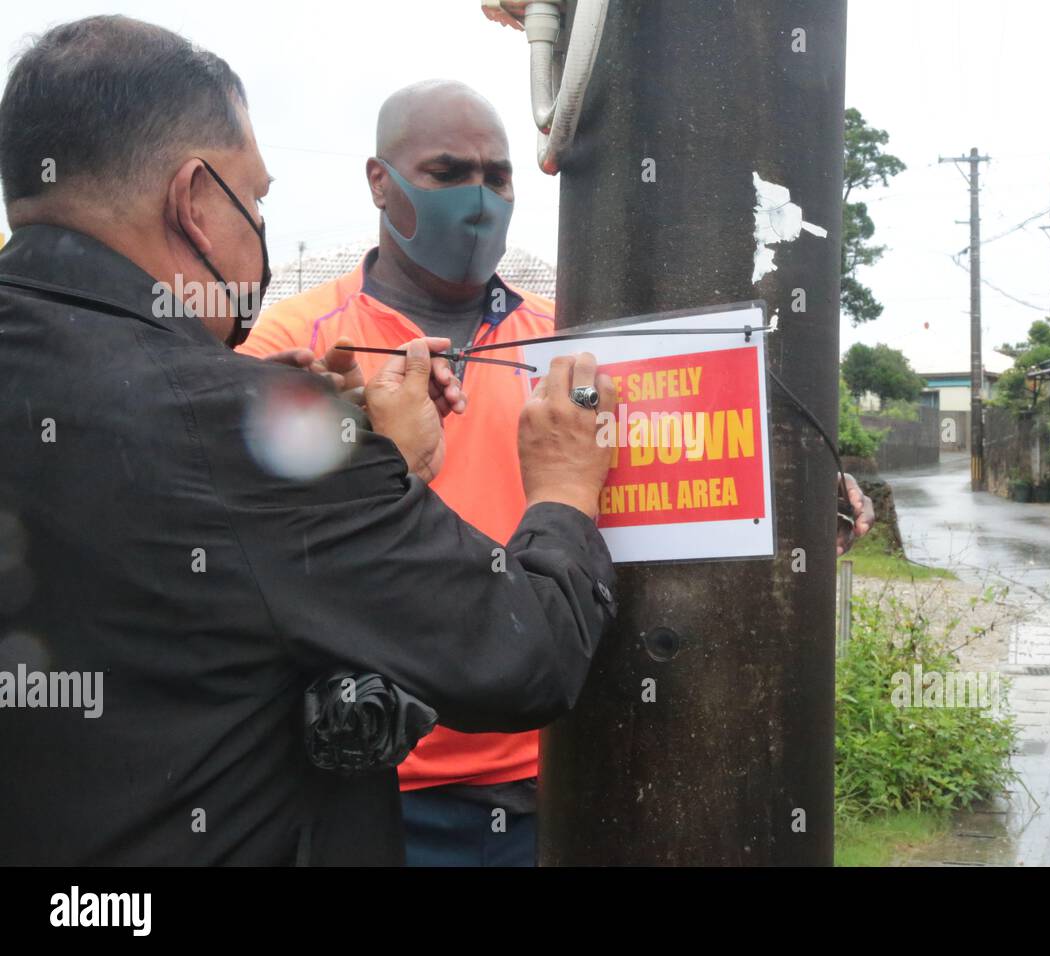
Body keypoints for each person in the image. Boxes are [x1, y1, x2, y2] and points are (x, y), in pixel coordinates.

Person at [0, 15, 617, 866]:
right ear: (192, 199)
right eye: (253, 199)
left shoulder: (548, 330)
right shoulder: (243, 415)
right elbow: (525, 654)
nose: (479, 198)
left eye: (498, 177)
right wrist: (562, 486)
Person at [239, 79, 875, 866]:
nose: (479, 199)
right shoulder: (301, 344)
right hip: (379, 788)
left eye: (497, 177)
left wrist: (803, 493)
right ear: (380, 181)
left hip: (559, 774)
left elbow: (687, 471)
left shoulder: (568, 348)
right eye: (448, 173)